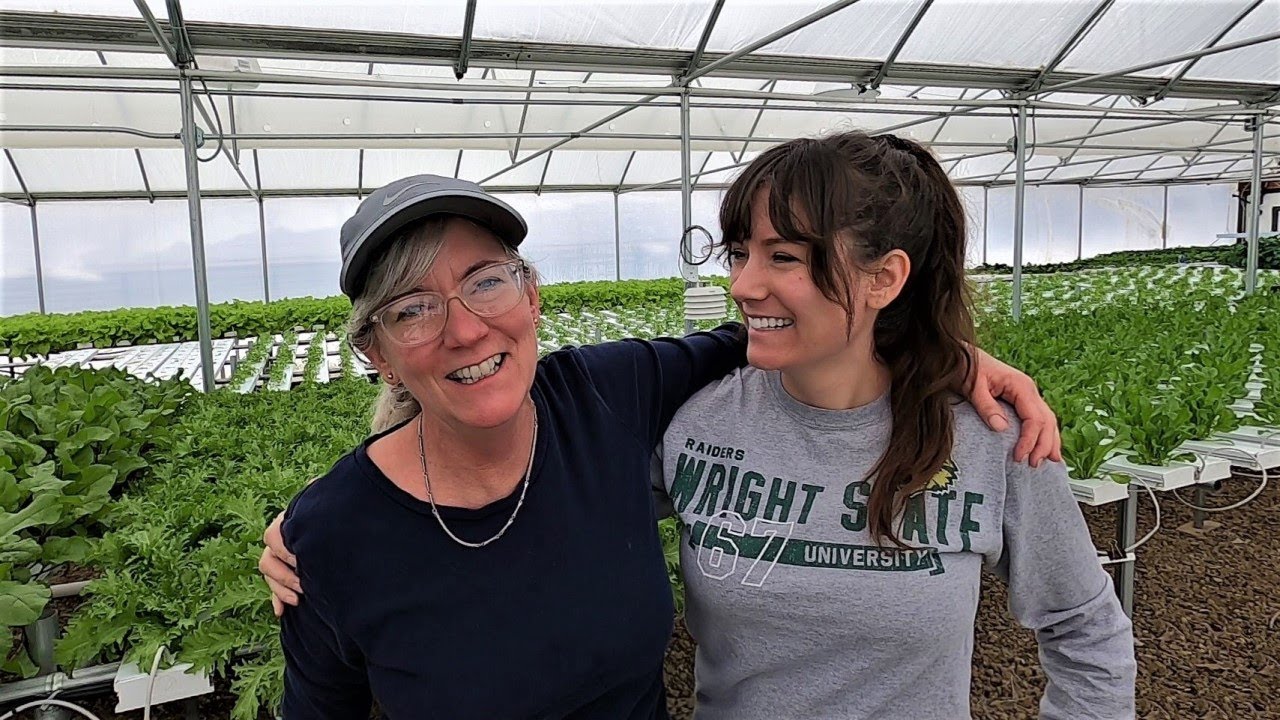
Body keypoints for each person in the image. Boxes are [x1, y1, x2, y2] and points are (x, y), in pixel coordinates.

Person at [263, 173, 1060, 719]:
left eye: (485, 281)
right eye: (411, 309)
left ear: (531, 294)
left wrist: (940, 353)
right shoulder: (331, 537)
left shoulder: (608, 397)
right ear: (376, 352)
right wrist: (317, 527)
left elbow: (772, 334)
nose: (465, 328)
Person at [656, 132, 1134, 719]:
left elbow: (1084, 626)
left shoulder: (988, 436)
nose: (742, 285)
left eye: (783, 257)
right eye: (738, 253)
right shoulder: (695, 422)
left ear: (883, 279)